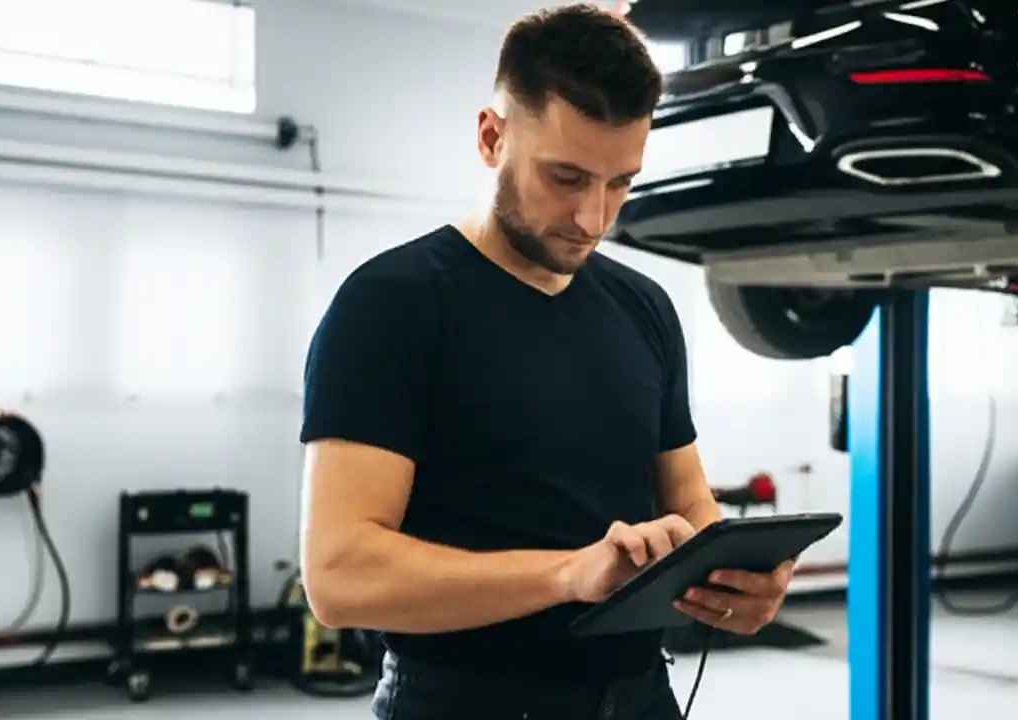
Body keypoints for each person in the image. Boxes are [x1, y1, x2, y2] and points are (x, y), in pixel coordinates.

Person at [297, 4, 796, 718]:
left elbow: (689, 500)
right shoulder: (390, 304)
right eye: (566, 177)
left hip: (640, 699)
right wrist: (568, 574)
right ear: (491, 136)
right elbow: (339, 576)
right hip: (462, 702)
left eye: (621, 182)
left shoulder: (645, 307)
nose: (594, 218)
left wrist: (735, 582)